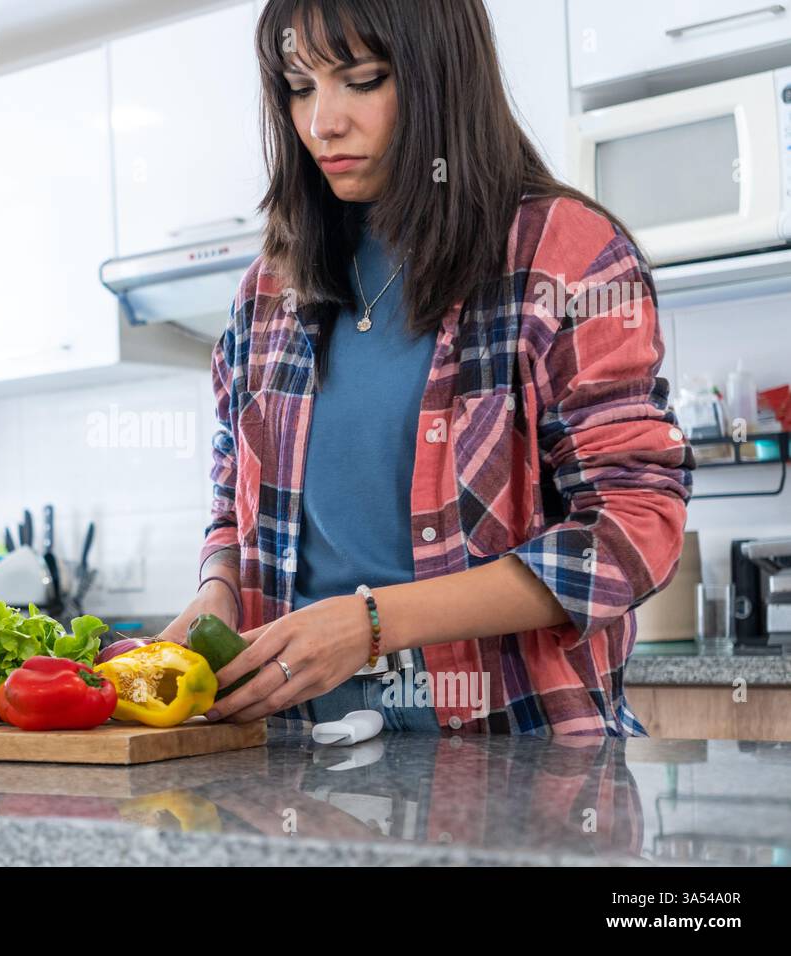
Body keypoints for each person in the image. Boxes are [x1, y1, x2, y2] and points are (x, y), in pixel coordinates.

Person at [154, 0, 693, 735]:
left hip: (514, 751)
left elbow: (635, 529)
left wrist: (372, 623)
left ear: (442, 78)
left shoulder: (566, 258)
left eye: (363, 80)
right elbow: (231, 506)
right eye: (300, 86)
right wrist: (219, 588)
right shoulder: (269, 289)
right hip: (292, 757)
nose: (323, 123)